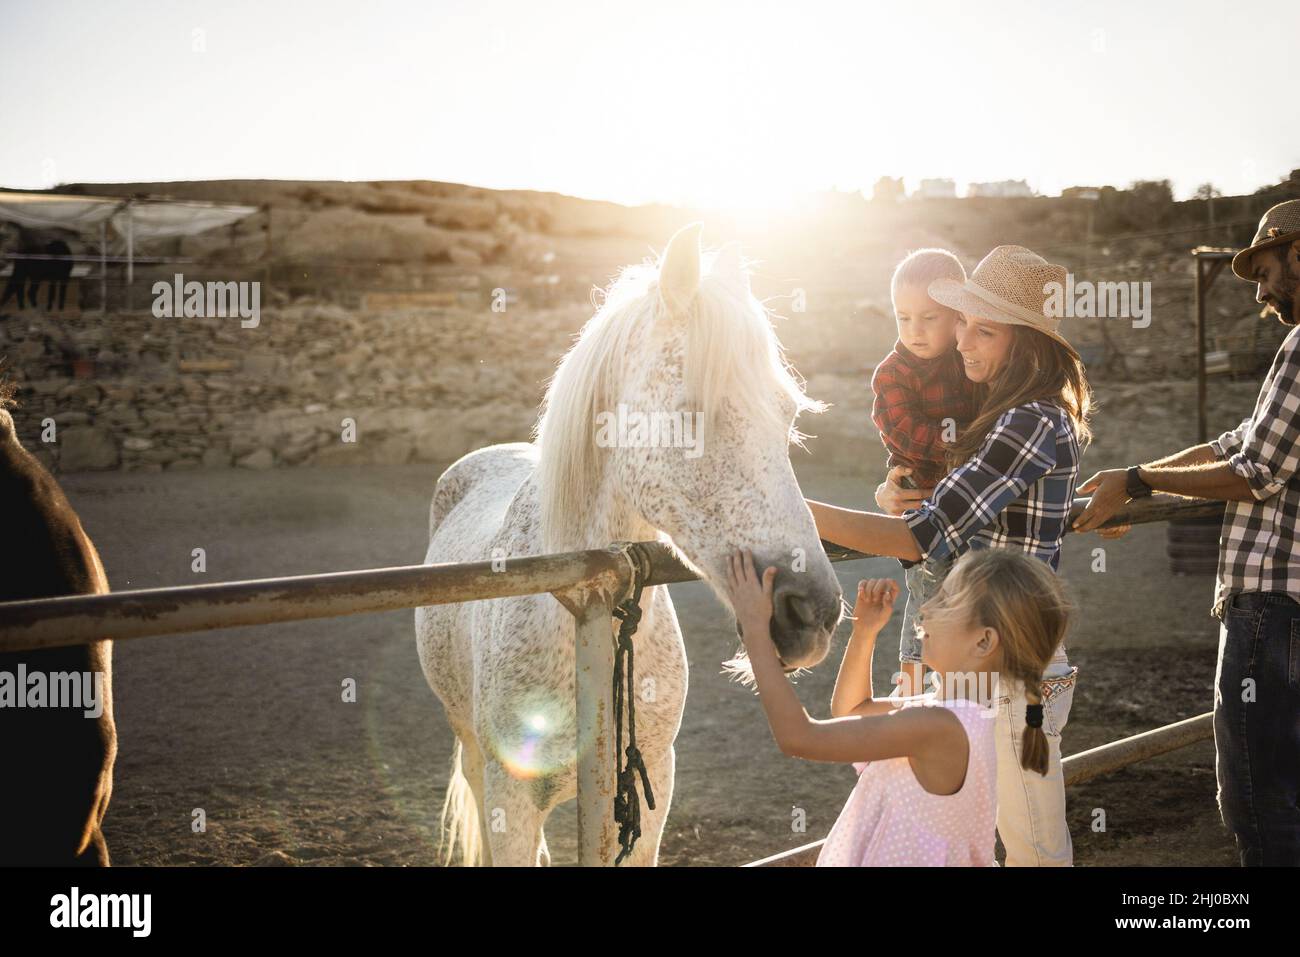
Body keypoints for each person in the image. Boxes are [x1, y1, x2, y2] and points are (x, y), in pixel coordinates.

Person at [805, 244, 1093, 865]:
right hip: (982, 650)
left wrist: (796, 512)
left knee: (1033, 844)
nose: (962, 340)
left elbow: (923, 536)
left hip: (1011, 660)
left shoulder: (1028, 421)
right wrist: (897, 488)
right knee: (973, 834)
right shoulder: (1006, 418)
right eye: (962, 322)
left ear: (1027, 345)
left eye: (983, 330)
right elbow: (965, 507)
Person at [1073, 199, 1300, 866]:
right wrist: (1133, 475)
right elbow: (1235, 443)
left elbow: (1253, 471)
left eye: (1265, 271)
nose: (1260, 293)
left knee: (1258, 803)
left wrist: (1140, 484)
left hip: (1272, 607)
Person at [724, 546, 1071, 866]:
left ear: (983, 641)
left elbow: (798, 737)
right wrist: (865, 632)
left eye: (945, 601)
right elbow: (851, 708)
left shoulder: (938, 726)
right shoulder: (958, 710)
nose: (924, 608)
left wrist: (756, 631)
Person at [870, 248, 980, 698]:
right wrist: (974, 446)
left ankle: (962, 697)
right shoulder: (893, 373)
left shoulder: (971, 357)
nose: (914, 332)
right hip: (927, 509)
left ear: (958, 314)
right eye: (903, 318)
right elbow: (905, 433)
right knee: (928, 599)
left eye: (929, 318)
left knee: (973, 602)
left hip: (976, 508)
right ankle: (911, 693)